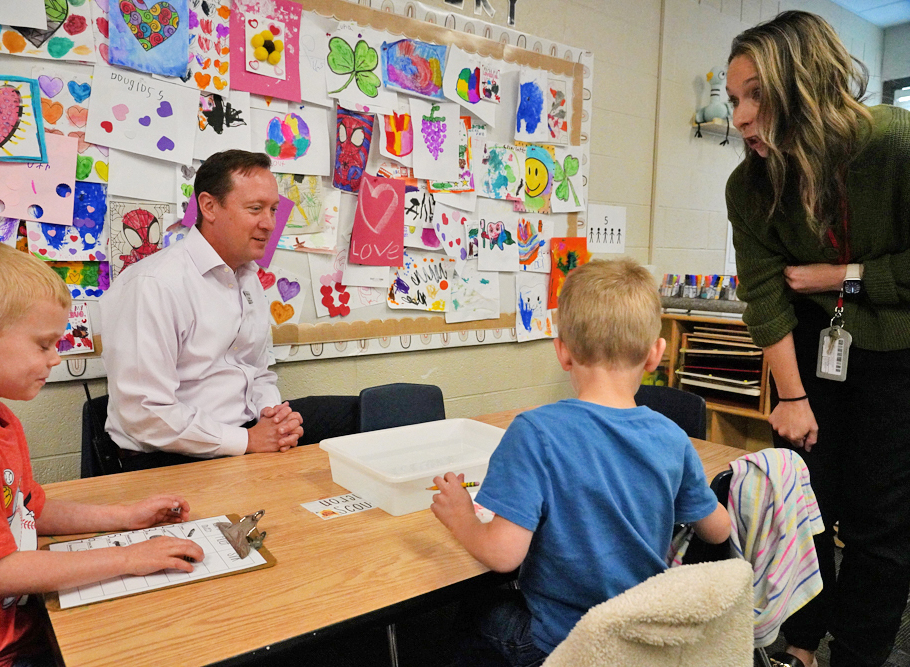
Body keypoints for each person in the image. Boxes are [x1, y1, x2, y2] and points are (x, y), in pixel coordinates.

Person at [0, 240, 203, 667]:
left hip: (17, 630)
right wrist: (127, 557)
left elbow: (29, 507)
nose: (55, 358)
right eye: (44, 344)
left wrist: (123, 516)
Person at [430, 258, 731, 666]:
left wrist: (461, 517)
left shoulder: (535, 432)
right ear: (655, 354)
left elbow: (503, 555)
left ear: (563, 352)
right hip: (639, 639)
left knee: (464, 611)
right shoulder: (672, 437)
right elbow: (718, 531)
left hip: (562, 645)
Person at [725, 11, 910, 667]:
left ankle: (858, 653)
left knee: (879, 524)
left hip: (897, 353)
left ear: (805, 84)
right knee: (800, 507)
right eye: (733, 100)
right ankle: (798, 645)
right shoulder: (748, 185)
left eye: (756, 95)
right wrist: (793, 397)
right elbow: (767, 296)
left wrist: (848, 277)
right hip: (811, 351)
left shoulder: (897, 144)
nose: (742, 117)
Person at [100, 150, 358, 468]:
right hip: (168, 458)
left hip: (243, 436)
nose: (270, 224)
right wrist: (248, 441)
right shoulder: (155, 284)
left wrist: (273, 416)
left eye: (274, 209)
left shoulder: (246, 276)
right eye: (255, 209)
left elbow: (259, 371)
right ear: (209, 206)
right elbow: (144, 413)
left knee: (363, 414)